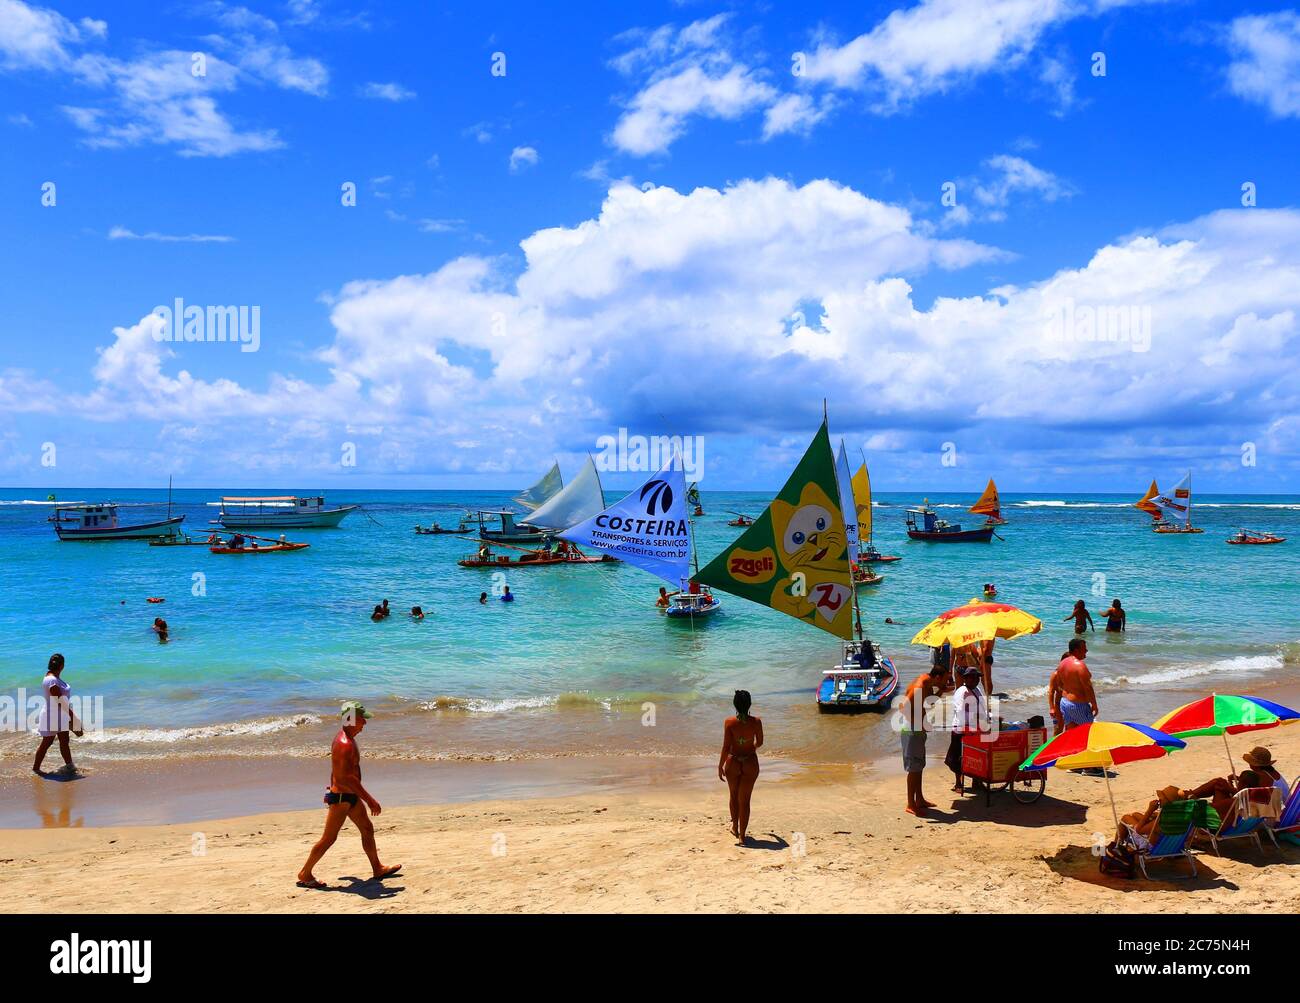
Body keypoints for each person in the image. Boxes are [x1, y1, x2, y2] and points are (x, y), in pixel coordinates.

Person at [297, 702, 401, 889]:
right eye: (362, 719)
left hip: (349, 797)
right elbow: (347, 778)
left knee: (367, 829)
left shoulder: (346, 738)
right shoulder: (345, 744)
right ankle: (305, 873)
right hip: (342, 799)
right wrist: (370, 800)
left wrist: (332, 787)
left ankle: (377, 868)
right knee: (329, 839)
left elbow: (338, 772)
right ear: (351, 719)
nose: (365, 724)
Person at [900, 650, 953, 817]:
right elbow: (903, 708)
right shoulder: (919, 687)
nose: (947, 681)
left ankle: (920, 799)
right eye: (945, 678)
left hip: (918, 730)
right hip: (912, 731)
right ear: (938, 677)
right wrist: (920, 725)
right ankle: (910, 804)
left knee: (919, 766)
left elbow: (929, 702)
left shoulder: (928, 682)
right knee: (913, 769)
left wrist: (941, 691)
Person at [718, 690, 763, 845]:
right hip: (750, 762)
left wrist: (720, 765)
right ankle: (742, 836)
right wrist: (752, 748)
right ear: (749, 704)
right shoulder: (756, 722)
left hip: (733, 762)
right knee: (745, 800)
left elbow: (726, 747)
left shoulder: (729, 722)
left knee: (733, 796)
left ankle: (735, 828)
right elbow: (760, 742)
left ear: (735, 705)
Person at [33, 654, 83, 775]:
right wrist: (74, 718)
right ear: (62, 666)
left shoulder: (52, 677)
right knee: (47, 742)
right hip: (53, 716)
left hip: (60, 715)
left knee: (64, 740)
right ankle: (35, 769)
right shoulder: (52, 681)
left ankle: (70, 766)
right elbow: (61, 702)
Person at [946, 666, 988, 792]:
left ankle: (977, 781)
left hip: (976, 729)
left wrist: (987, 717)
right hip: (962, 729)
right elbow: (960, 711)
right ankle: (958, 783)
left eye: (977, 677)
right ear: (965, 678)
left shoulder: (977, 690)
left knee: (977, 755)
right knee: (959, 756)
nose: (975, 679)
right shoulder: (961, 691)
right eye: (972, 677)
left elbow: (981, 707)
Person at [1048, 638, 1098, 736]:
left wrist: (1056, 705)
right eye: (1084, 649)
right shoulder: (1080, 666)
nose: (1087, 651)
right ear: (1076, 650)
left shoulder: (1063, 663)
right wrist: (1094, 704)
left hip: (1065, 703)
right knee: (1088, 734)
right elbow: (1088, 688)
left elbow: (1060, 685)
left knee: (1071, 736)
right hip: (1078, 705)